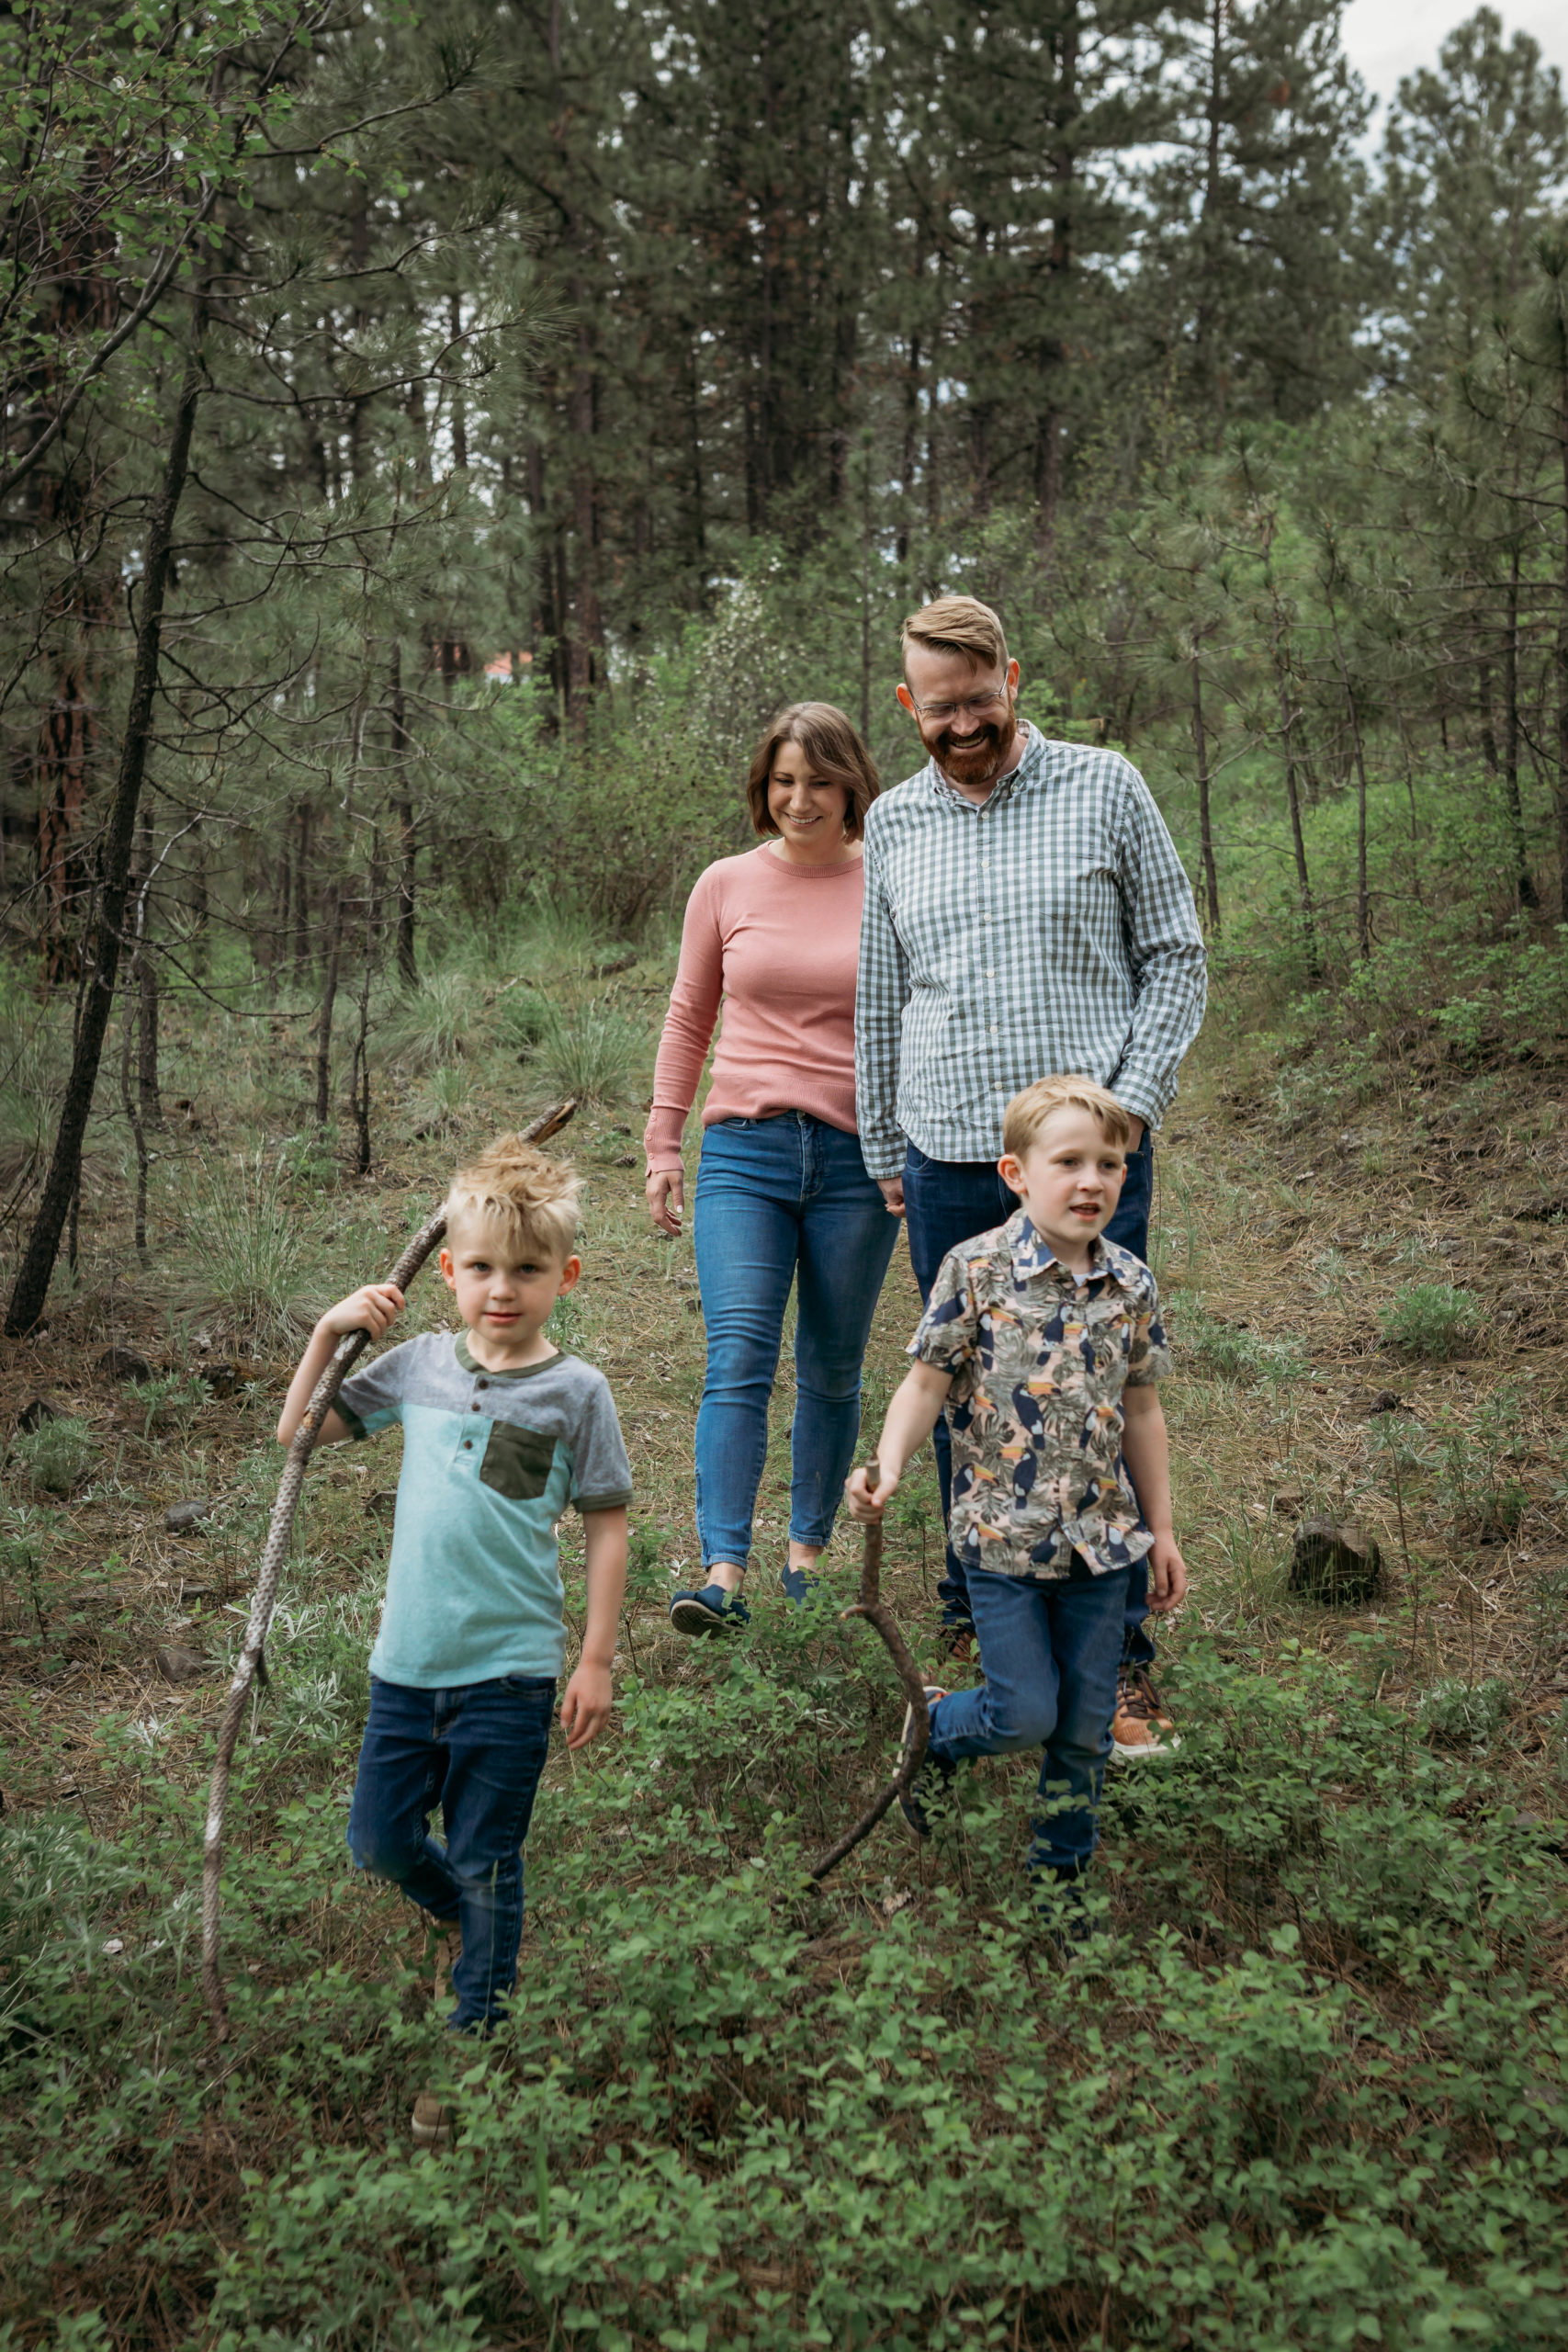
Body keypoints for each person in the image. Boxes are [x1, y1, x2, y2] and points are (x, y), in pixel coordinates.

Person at [854, 594, 1206, 1755]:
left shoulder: (1107, 786)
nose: (961, 724)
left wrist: (1132, 1107)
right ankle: (979, 1617)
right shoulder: (895, 822)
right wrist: (879, 1141)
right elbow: (879, 998)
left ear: (1016, 674)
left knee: (1098, 1392)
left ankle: (1121, 1668)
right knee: (972, 1387)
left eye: (979, 699)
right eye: (937, 708)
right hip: (950, 1147)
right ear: (909, 704)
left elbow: (1176, 954)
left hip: (1087, 1156)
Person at [276, 1134, 630, 2141]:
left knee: (486, 1861)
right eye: (480, 1268)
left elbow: (607, 1524)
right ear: (447, 1271)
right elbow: (298, 1437)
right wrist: (324, 1332)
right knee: (380, 1841)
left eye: (526, 1270)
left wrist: (595, 1657)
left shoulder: (578, 1394)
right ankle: (453, 1923)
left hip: (510, 1675)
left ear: (565, 1274)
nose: (502, 1289)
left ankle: (471, 2045)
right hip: (407, 1666)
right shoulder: (420, 1366)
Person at [846, 1077, 1188, 1921]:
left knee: (1084, 1724)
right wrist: (887, 1466)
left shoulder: (1130, 1285)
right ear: (1015, 1172)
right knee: (1025, 1711)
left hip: (1102, 1544)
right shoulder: (976, 1270)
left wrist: (1164, 1531)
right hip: (1000, 1539)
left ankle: (1057, 1890)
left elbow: (1142, 1408)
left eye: (1108, 1164)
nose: (1091, 1181)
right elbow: (923, 1385)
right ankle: (935, 1729)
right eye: (1067, 1161)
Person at [646, 703, 900, 1634]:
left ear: (851, 787)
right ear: (766, 787)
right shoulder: (725, 884)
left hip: (856, 1158)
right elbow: (687, 1018)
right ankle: (723, 1574)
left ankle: (806, 1557)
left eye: (819, 780)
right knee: (740, 1355)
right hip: (744, 1153)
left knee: (831, 1365)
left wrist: (908, 1143)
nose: (801, 798)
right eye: (784, 780)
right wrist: (663, 1143)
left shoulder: (892, 878)